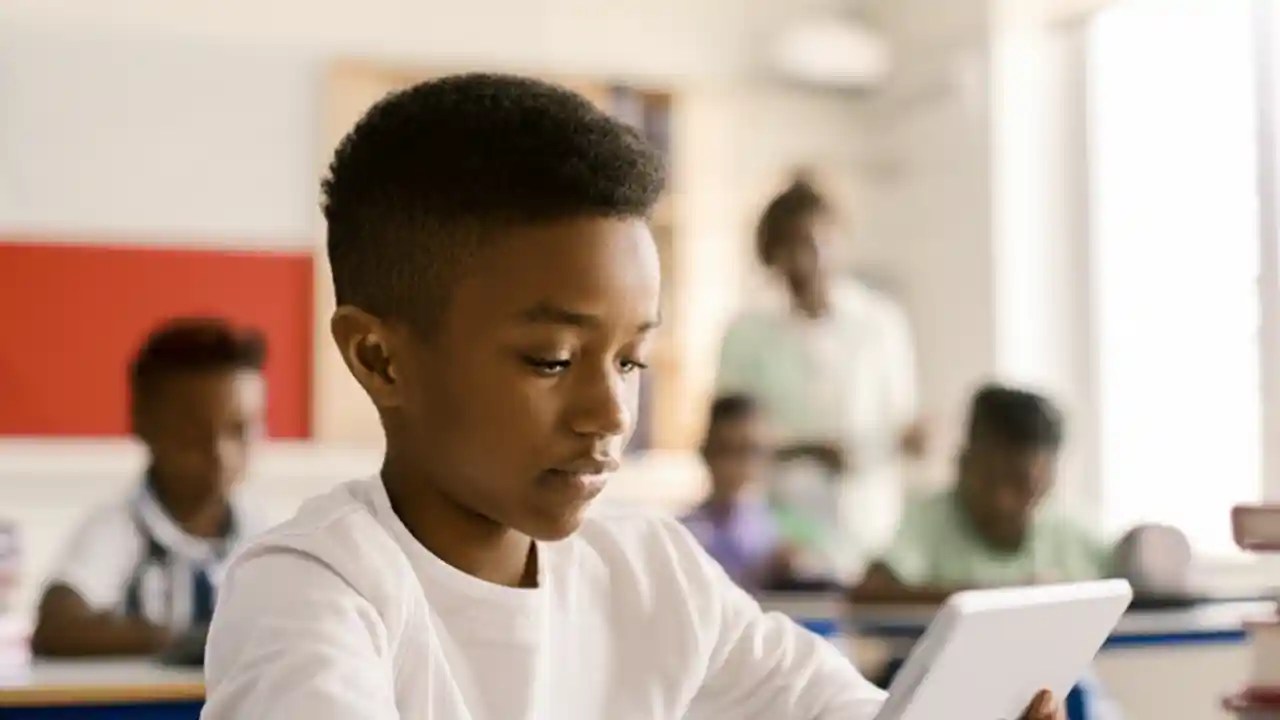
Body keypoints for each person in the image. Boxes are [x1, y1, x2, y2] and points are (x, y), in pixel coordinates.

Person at [200, 73, 1063, 720]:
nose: (611, 416)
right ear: (381, 360)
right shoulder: (314, 591)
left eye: (630, 362)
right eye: (549, 359)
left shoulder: (650, 570)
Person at [717, 178, 924, 579]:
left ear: (838, 239)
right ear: (769, 255)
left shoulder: (880, 323)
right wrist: (806, 451)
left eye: (812, 243)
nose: (802, 260)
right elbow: (728, 442)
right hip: (781, 534)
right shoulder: (747, 333)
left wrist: (904, 440)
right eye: (786, 248)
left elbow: (903, 422)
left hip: (870, 523)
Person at [32, 318, 271, 656]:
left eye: (239, 431)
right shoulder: (119, 527)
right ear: (142, 421)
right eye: (193, 431)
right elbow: (57, 627)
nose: (219, 453)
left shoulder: (263, 533)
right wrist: (187, 643)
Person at [854, 384, 1111, 605]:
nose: (1002, 501)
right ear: (962, 462)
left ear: (1050, 481)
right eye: (988, 478)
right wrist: (1007, 600)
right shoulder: (924, 520)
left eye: (1020, 484)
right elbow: (871, 594)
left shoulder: (1074, 532)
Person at [681, 394, 791, 593]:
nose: (740, 467)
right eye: (726, 451)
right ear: (706, 453)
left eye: (752, 451)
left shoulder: (790, 530)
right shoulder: (683, 536)